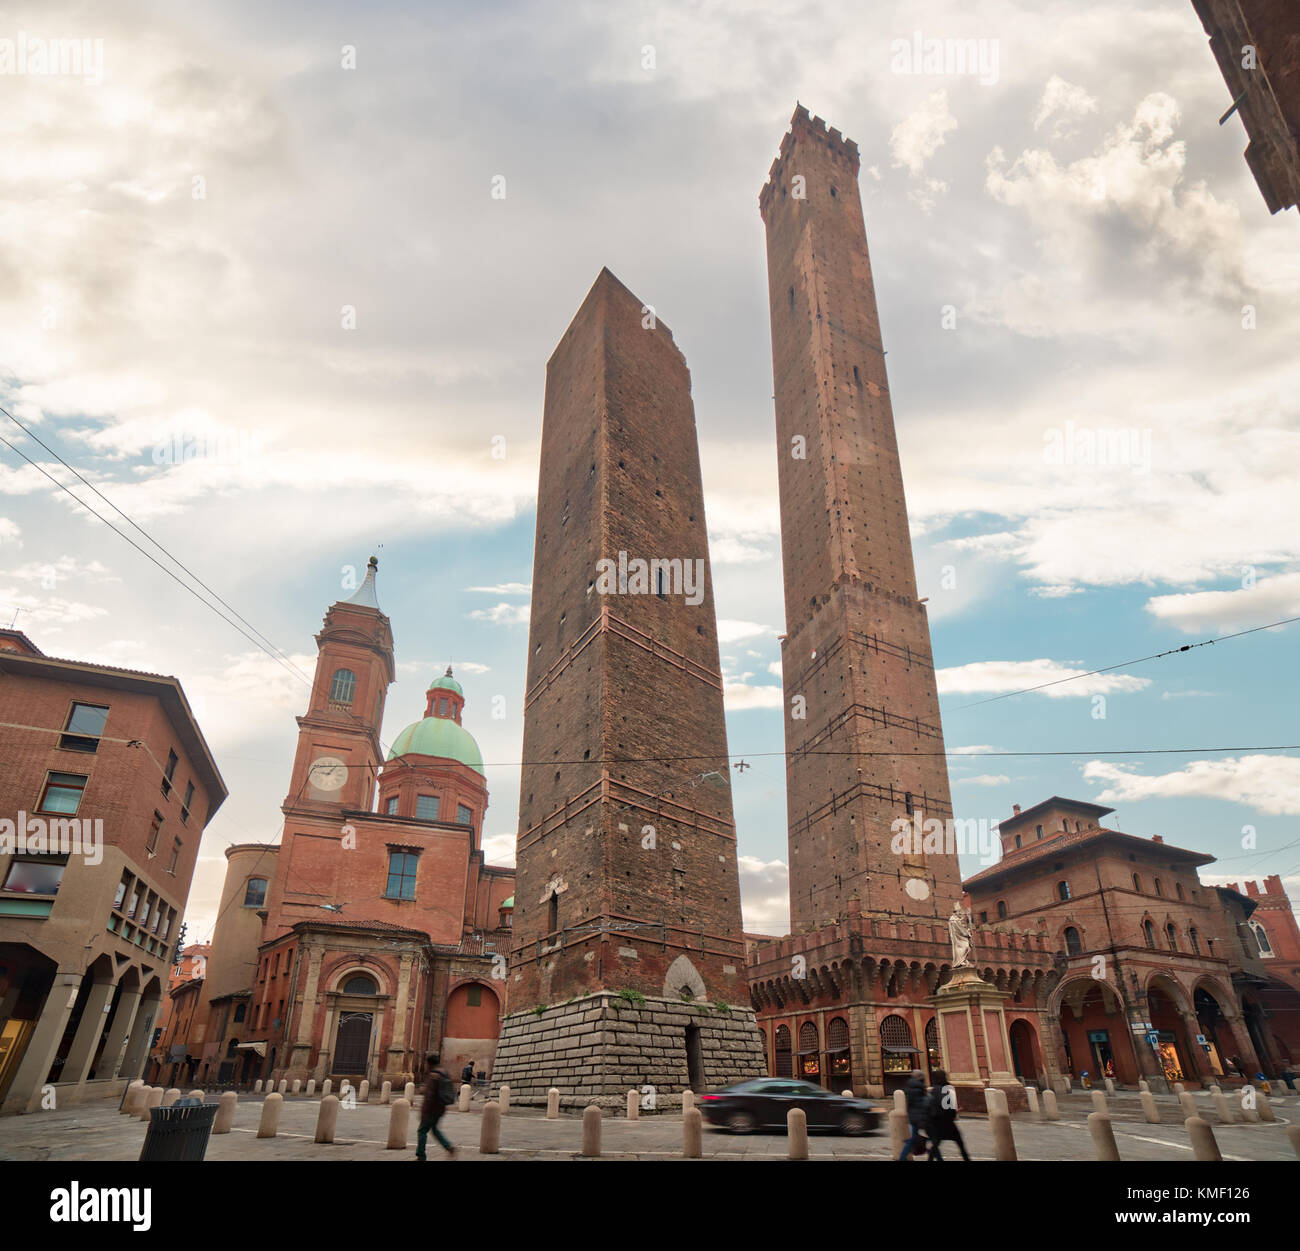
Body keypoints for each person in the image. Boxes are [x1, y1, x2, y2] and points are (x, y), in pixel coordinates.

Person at [416, 1053, 456, 1160]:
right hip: (440, 1107)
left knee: (422, 1131)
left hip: (431, 1109)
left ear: (429, 1063)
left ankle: (421, 1156)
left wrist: (424, 1111)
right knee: (435, 1130)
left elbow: (430, 1096)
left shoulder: (433, 1076)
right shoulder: (444, 1073)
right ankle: (449, 1147)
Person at [926, 1071, 972, 1162]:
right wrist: (954, 1113)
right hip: (946, 1122)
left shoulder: (934, 1090)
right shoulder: (943, 1089)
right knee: (960, 1143)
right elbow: (946, 1107)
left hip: (937, 1122)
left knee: (936, 1144)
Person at [896, 1069, 930, 1161]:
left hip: (913, 1117)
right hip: (921, 1117)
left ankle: (902, 1157)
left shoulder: (910, 1087)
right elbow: (923, 1103)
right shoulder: (920, 1088)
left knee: (913, 1139)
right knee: (933, 1138)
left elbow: (910, 1104)